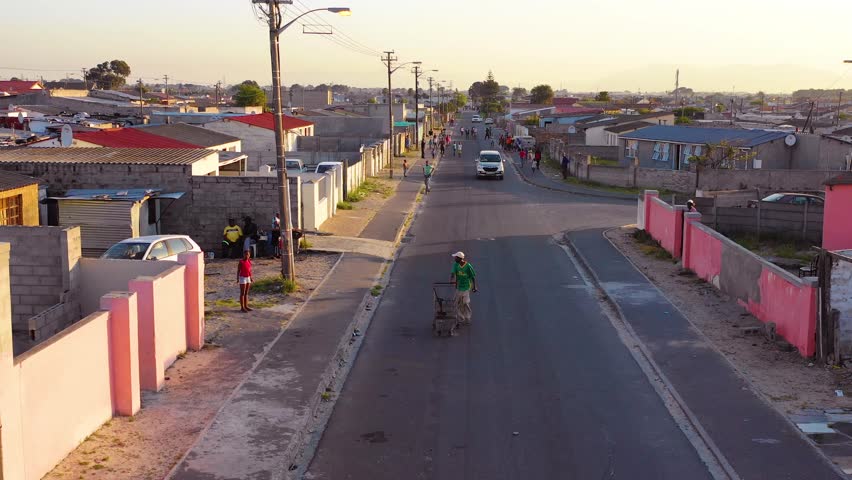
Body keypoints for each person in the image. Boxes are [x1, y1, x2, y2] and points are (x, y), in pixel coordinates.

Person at [450, 251, 477, 325]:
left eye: (455, 257)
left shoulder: (468, 266)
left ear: (459, 258)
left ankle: (467, 317)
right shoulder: (455, 265)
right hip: (459, 286)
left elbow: (472, 276)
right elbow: (453, 273)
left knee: (465, 302)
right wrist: (451, 280)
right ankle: (461, 317)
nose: (454, 258)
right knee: (457, 303)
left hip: (466, 287)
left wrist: (474, 286)